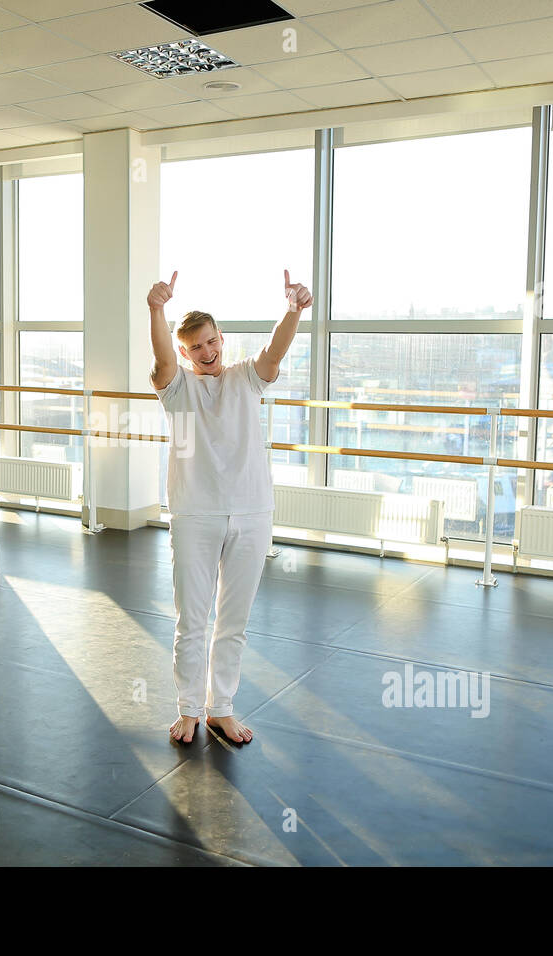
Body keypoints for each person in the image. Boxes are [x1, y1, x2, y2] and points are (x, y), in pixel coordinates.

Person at [148, 268, 313, 744]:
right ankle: (187, 709)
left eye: (212, 341)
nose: (208, 351)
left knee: (233, 622)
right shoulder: (177, 386)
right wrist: (156, 309)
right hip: (194, 515)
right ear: (185, 351)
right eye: (196, 346)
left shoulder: (246, 378)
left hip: (252, 513)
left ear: (222, 338)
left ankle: (220, 707)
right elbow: (160, 358)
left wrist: (292, 310)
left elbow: (274, 351)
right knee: (192, 621)